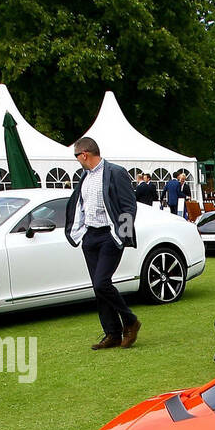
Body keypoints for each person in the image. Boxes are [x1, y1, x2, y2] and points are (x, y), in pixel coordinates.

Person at [67, 137, 140, 350]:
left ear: (84, 155)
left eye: (76, 157)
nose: (77, 161)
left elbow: (129, 206)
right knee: (98, 288)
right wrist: (80, 233)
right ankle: (112, 333)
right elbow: (80, 204)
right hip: (90, 237)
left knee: (102, 283)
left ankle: (130, 321)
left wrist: (122, 237)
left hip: (110, 235)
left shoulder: (115, 172)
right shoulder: (84, 176)